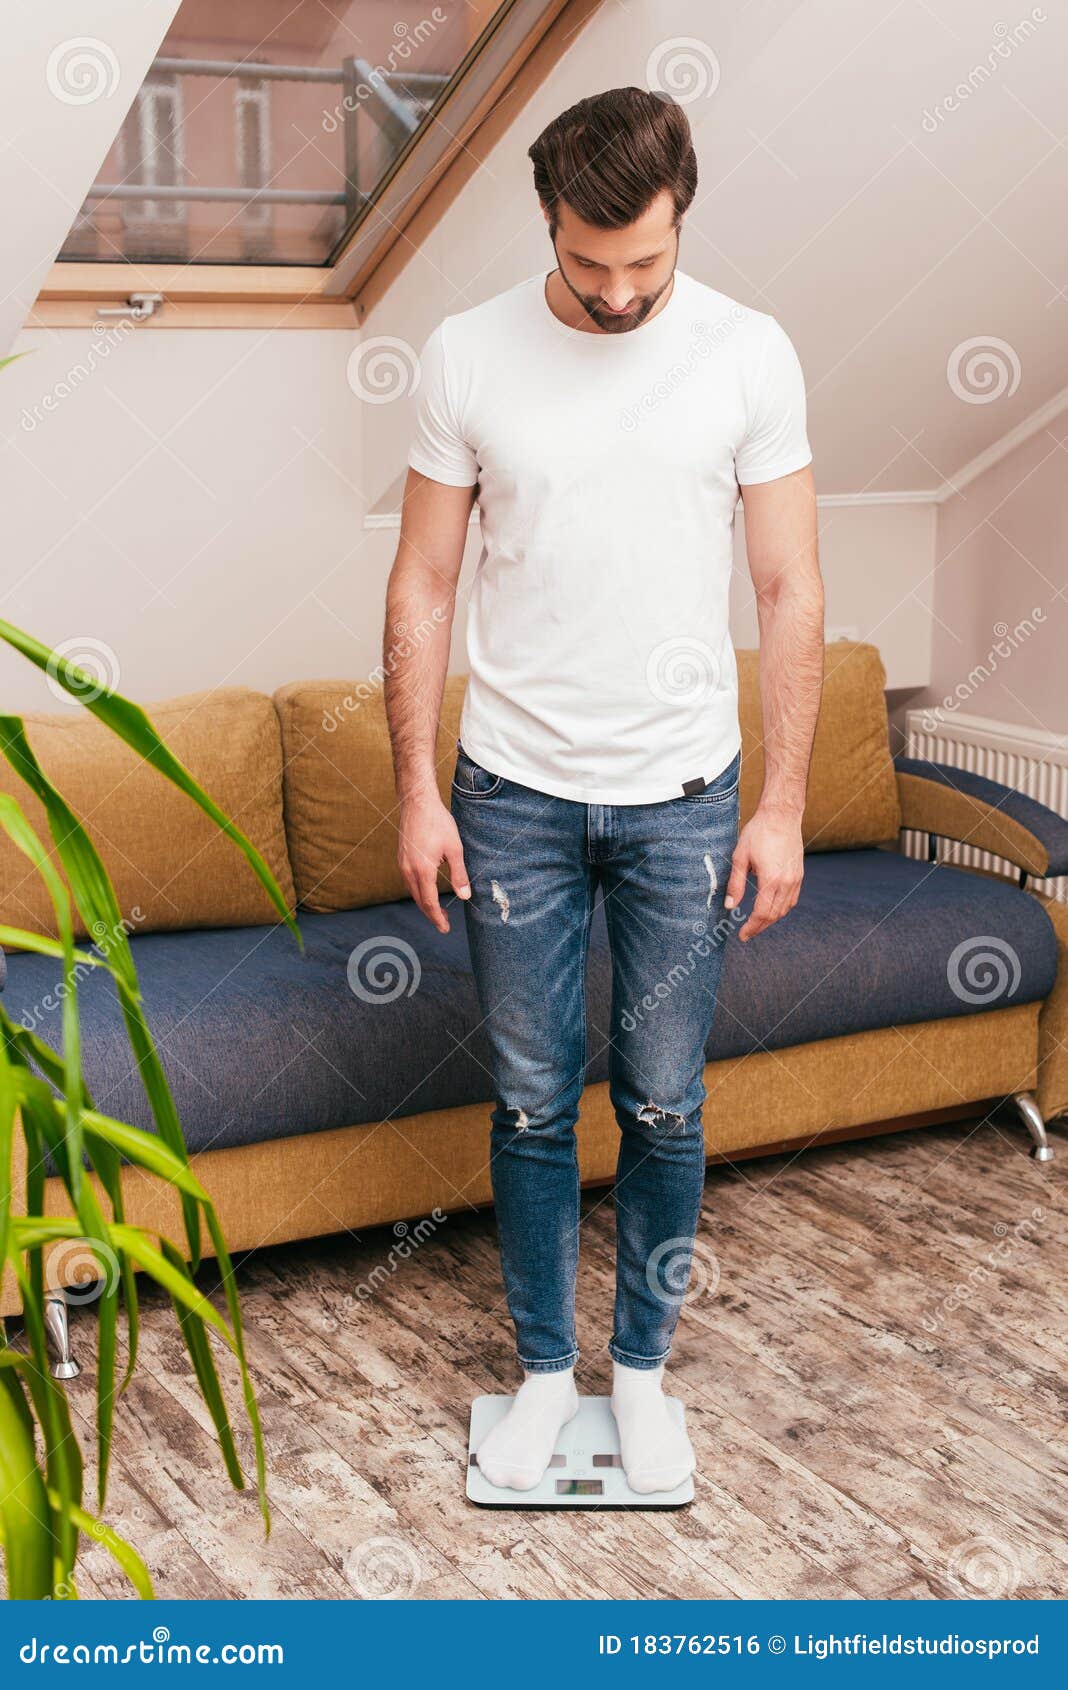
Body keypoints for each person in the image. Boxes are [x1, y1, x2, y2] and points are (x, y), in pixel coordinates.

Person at [384, 86, 825, 1494]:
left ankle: (636, 1374)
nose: (624, 290)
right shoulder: (465, 355)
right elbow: (423, 584)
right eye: (593, 265)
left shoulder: (750, 355)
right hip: (508, 793)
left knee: (666, 1102)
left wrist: (785, 804)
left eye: (650, 259)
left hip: (687, 797)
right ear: (547, 222)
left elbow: (789, 584)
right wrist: (415, 789)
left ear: (680, 212)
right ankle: (539, 1374)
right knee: (527, 1101)